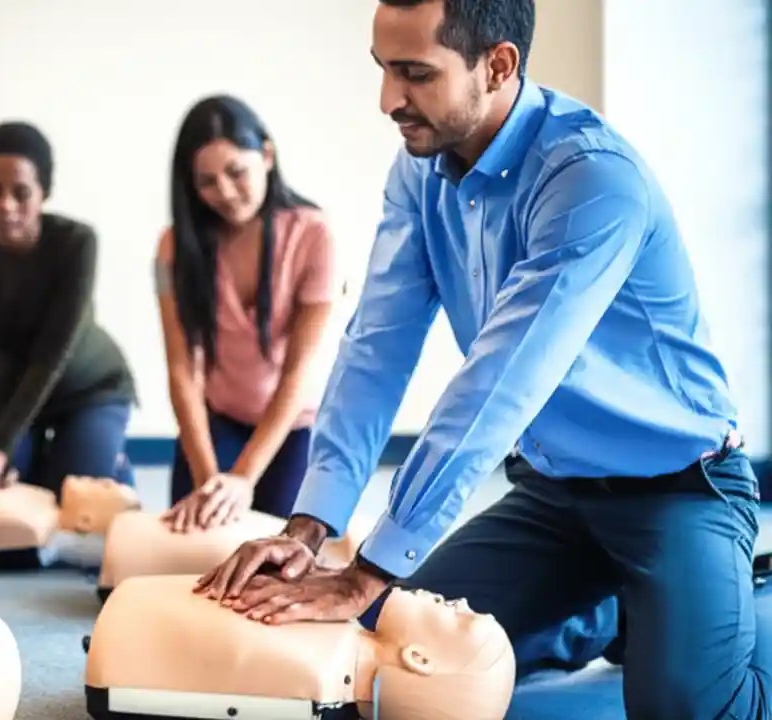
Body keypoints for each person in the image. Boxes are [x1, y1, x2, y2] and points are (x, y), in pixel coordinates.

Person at [195, 1, 770, 718]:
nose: (388, 101)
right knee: (394, 652)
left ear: (497, 65)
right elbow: (376, 349)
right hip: (555, 498)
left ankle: (743, 600)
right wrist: (307, 530)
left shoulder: (593, 180)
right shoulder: (420, 171)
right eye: (382, 70)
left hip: (679, 490)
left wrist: (367, 569)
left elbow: (499, 386)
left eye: (414, 74)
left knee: (687, 707)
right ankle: (612, 613)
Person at [156, 95, 337, 533]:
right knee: (193, 539)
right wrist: (209, 479)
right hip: (216, 424)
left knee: (275, 548)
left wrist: (243, 478)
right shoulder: (172, 248)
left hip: (290, 426)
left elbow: (298, 373)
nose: (225, 193)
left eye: (236, 172)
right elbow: (183, 370)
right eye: (207, 182)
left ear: (267, 156)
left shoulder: (315, 235)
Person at [0, 121, 138, 501]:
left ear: (44, 192)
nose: (5, 206)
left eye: (21, 192)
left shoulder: (76, 242)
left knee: (70, 499)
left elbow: (53, 355)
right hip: (16, 395)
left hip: (89, 388)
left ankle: (113, 467)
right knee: (2, 502)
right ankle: (38, 460)